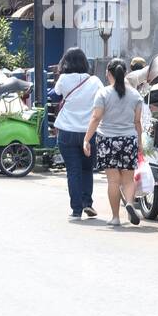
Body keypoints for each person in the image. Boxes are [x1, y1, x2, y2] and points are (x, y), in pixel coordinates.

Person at [84, 58, 145, 227]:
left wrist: (86, 139)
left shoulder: (103, 93)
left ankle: (116, 217)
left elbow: (96, 117)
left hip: (107, 140)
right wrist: (140, 143)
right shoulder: (135, 95)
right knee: (128, 180)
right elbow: (137, 122)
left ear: (107, 73)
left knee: (113, 181)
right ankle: (130, 203)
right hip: (129, 140)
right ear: (125, 73)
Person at [52, 48, 102, 221]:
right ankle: (87, 203)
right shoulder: (95, 81)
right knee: (87, 169)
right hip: (89, 132)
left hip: (66, 132)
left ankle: (76, 210)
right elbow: (102, 100)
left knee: (73, 171)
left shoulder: (63, 79)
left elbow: (55, 95)